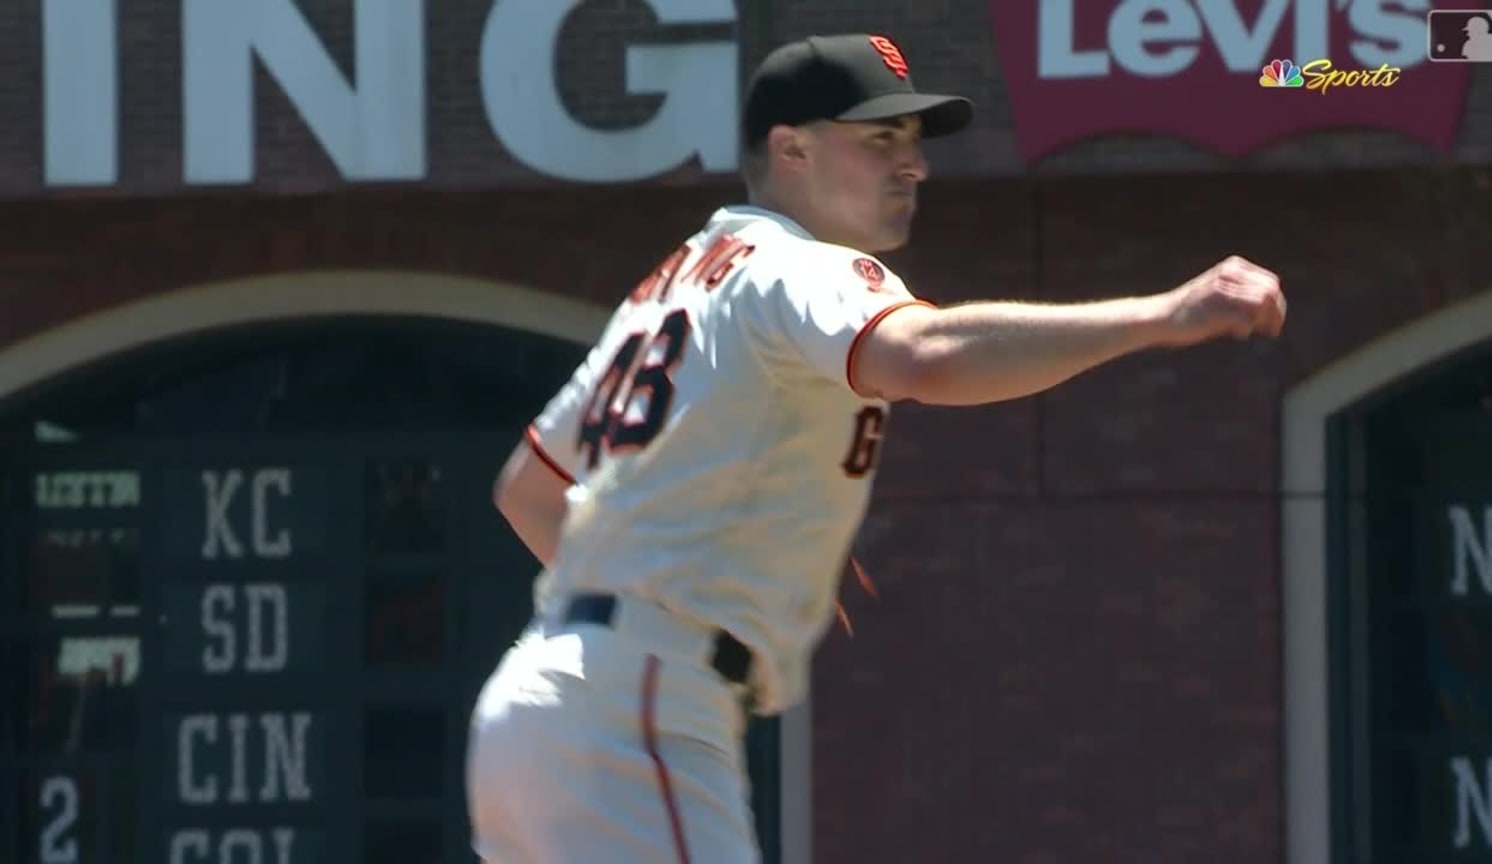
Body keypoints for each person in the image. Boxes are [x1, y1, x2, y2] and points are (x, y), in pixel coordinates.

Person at [466, 32, 1287, 864]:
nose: (913, 167)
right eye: (880, 140)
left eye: (914, 144)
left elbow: (528, 489)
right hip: (635, 702)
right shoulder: (794, 265)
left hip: (537, 701)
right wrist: (1161, 315)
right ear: (790, 150)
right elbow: (924, 355)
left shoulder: (673, 283)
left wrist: (664, 574)